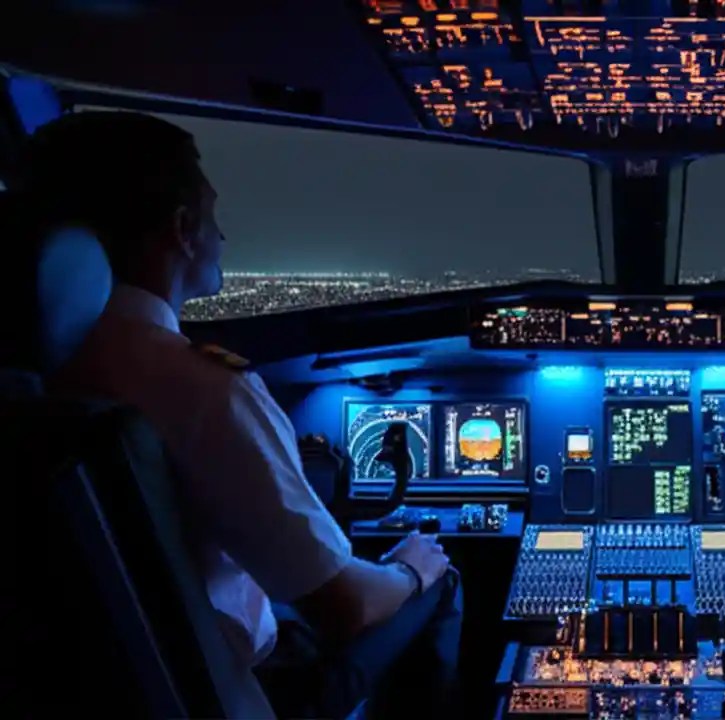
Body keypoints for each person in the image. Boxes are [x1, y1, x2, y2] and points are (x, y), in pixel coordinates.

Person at [18, 111, 463, 719]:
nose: (222, 238)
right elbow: (347, 607)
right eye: (214, 215)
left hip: (86, 684)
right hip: (231, 688)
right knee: (440, 580)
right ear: (182, 230)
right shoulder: (204, 388)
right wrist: (412, 570)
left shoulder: (38, 374)